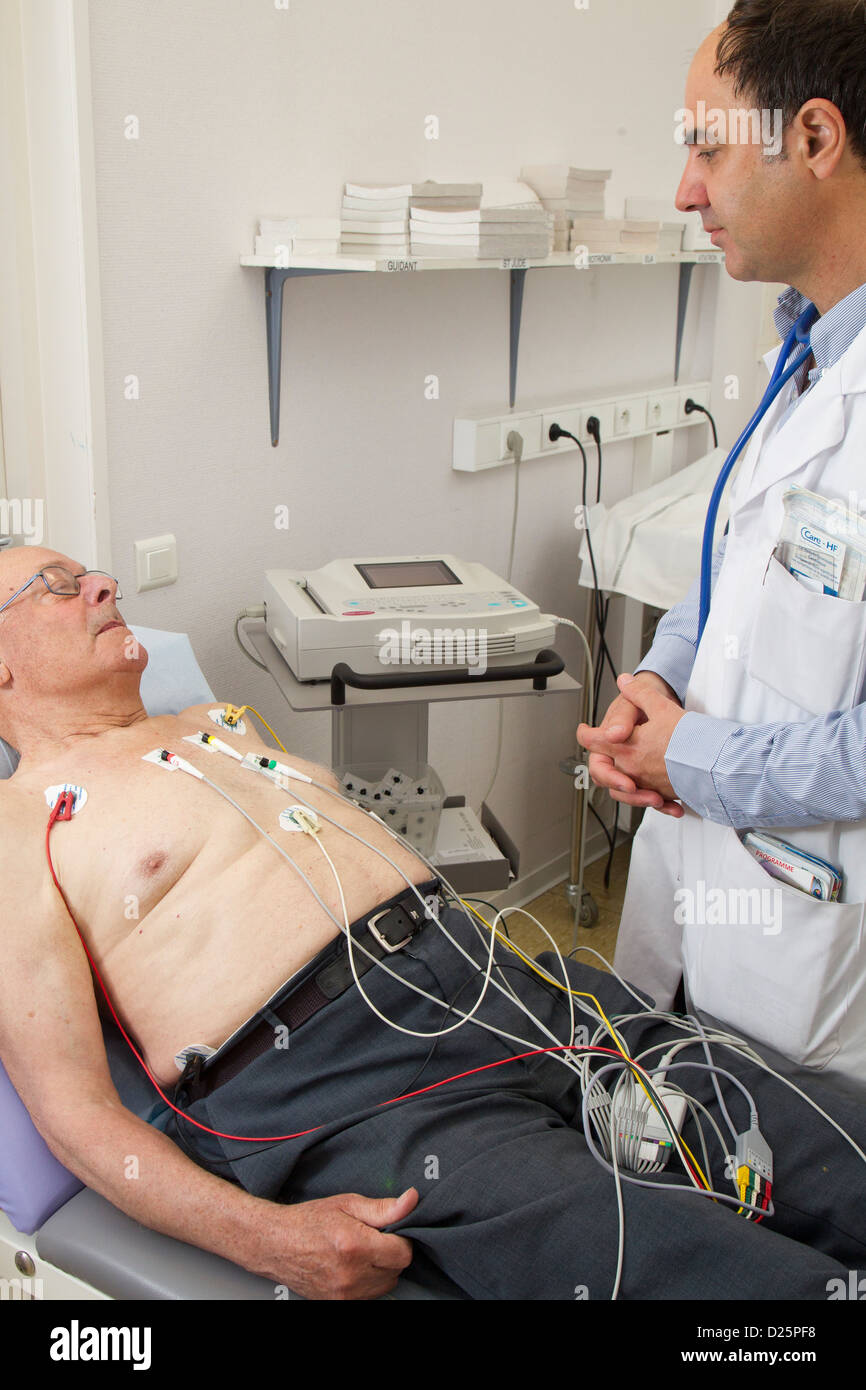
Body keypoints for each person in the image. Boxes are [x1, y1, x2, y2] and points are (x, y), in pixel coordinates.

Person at [0, 544, 864, 1301]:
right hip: (348, 1084)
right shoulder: (17, 825)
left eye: (92, 574)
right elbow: (74, 1115)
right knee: (696, 1272)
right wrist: (262, 1238)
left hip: (499, 978)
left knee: (816, 1143)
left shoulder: (209, 724)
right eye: (56, 584)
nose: (104, 585)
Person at [580, 0, 866, 1076]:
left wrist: (690, 756)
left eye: (705, 144)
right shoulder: (803, 347)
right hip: (698, 903)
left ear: (812, 138)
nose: (683, 188)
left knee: (785, 1218)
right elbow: (740, 562)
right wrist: (656, 677)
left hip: (816, 956)